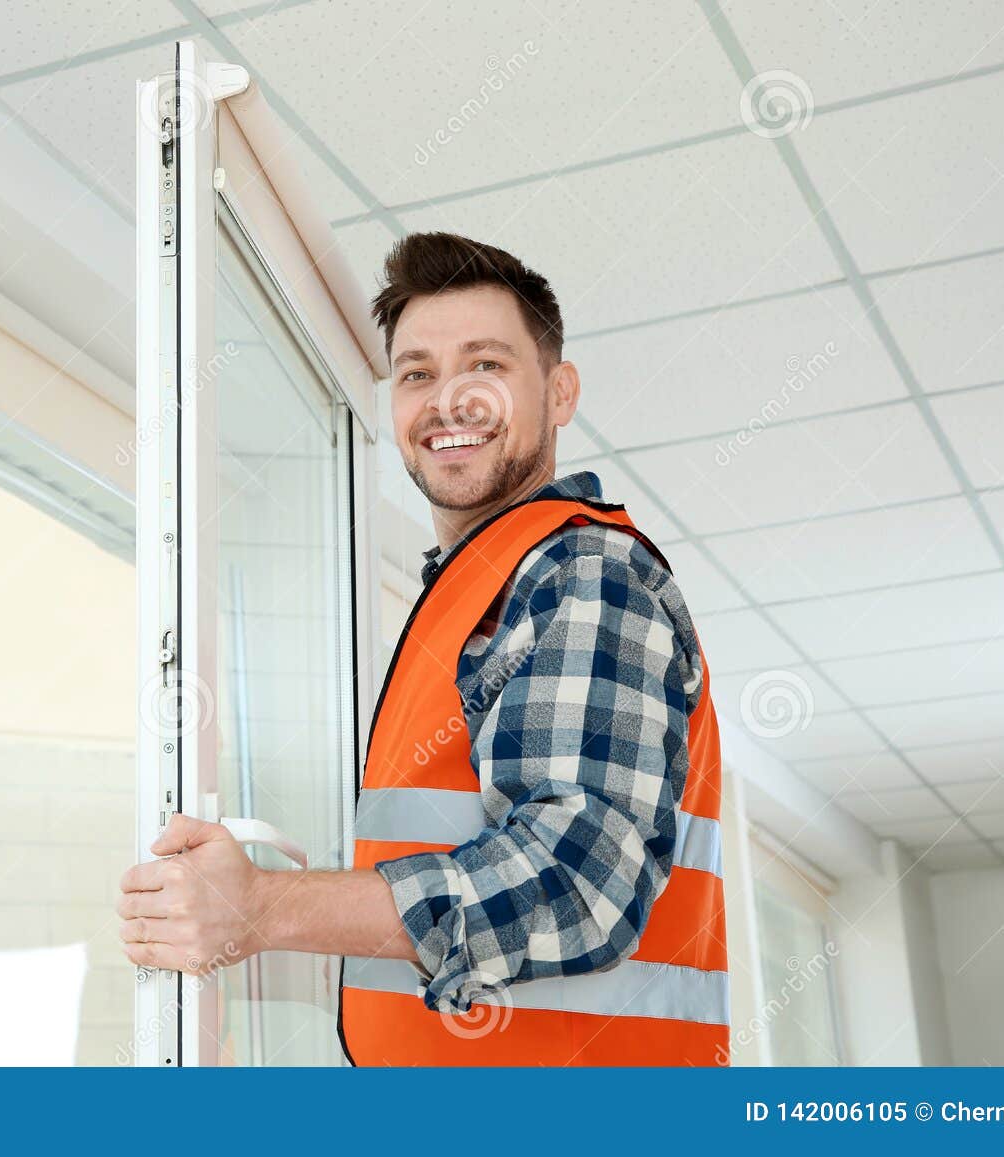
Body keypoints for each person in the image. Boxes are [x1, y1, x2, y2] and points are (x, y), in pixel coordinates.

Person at [118, 231, 728, 1065]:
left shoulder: (585, 573)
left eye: (485, 365)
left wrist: (261, 906)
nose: (449, 400)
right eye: (417, 374)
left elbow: (580, 883)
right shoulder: (471, 593)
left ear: (559, 392)